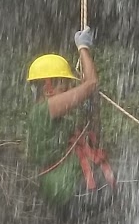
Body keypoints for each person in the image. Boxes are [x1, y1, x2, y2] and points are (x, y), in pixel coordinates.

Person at [24, 27, 112, 209]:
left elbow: (93, 130)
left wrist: (91, 105)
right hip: (70, 190)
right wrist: (83, 49)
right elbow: (92, 84)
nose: (68, 87)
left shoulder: (47, 115)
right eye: (64, 83)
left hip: (61, 191)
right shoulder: (44, 110)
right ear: (48, 87)